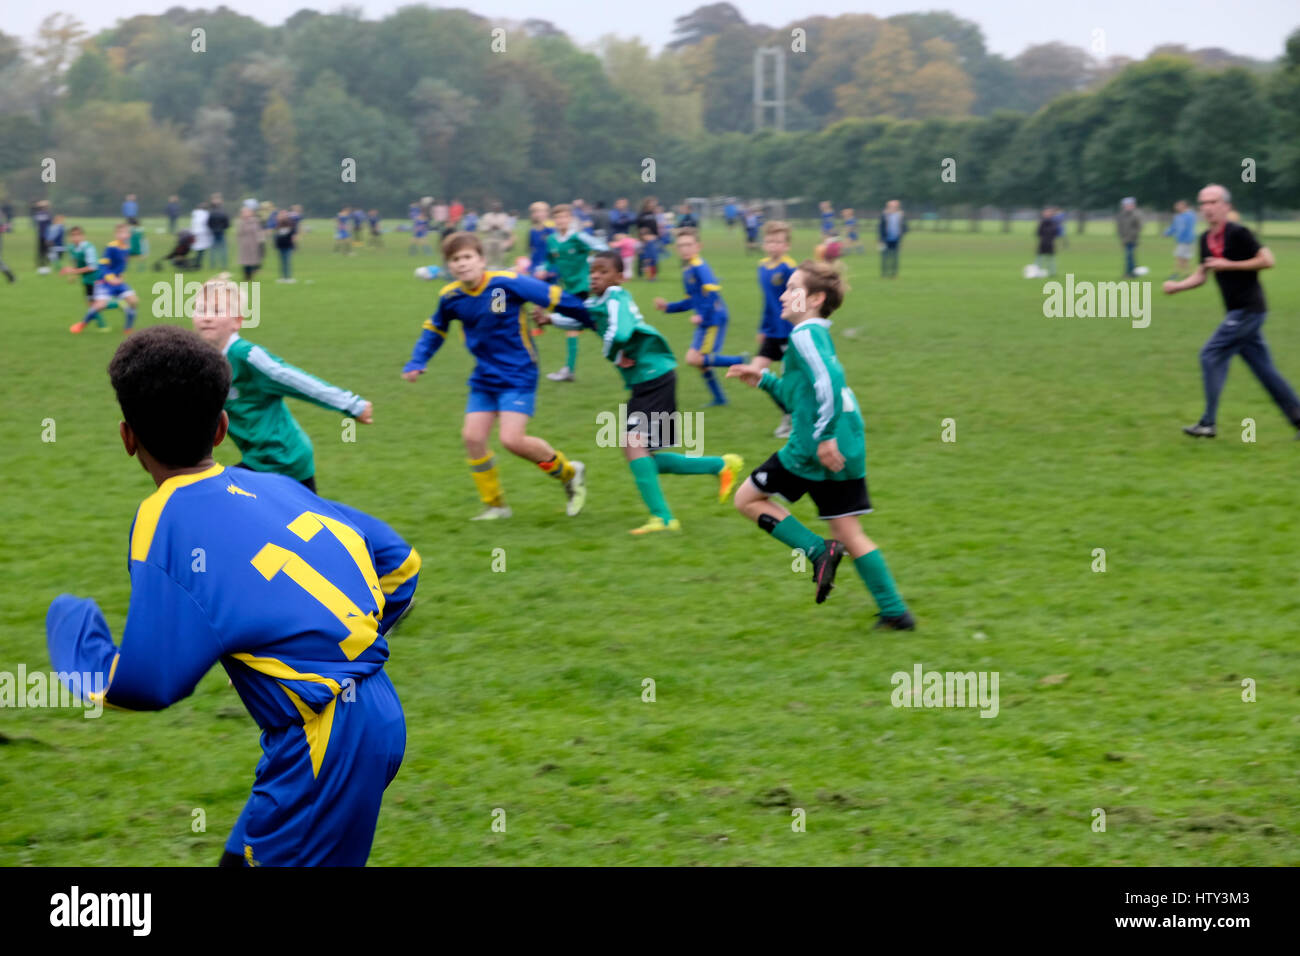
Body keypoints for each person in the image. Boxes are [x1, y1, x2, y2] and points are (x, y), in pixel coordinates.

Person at [46, 323, 418, 866]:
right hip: (366, 717)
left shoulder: (163, 517)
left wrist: (72, 631)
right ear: (221, 428)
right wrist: (341, 642)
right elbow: (402, 565)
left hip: (324, 741)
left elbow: (148, 684)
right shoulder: (279, 485)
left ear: (127, 438)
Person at [726, 260, 914, 629]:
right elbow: (806, 395)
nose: (783, 294)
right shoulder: (815, 334)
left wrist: (825, 436)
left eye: (792, 288)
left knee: (746, 499)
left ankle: (817, 552)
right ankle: (895, 612)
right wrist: (764, 380)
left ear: (815, 298)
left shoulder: (804, 335)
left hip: (815, 446)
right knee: (848, 531)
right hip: (847, 440)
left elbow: (831, 378)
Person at [544, 251, 744, 534]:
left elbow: (620, 332)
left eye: (602, 271)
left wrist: (615, 353)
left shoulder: (616, 296)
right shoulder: (598, 301)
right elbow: (584, 320)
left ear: (619, 278)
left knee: (632, 444)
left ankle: (663, 518)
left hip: (654, 376)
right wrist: (551, 320)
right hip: (650, 378)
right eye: (593, 271)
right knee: (644, 455)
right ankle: (720, 465)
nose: (595, 276)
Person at [401, 231, 591, 520]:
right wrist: (418, 360)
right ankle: (496, 506)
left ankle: (569, 472)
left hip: (519, 372)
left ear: (481, 260)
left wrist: (594, 319)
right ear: (449, 266)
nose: (462, 264)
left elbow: (554, 296)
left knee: (512, 440)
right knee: (472, 438)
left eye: (467, 257)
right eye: (455, 259)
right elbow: (435, 330)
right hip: (485, 376)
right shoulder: (451, 296)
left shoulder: (506, 283)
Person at [190, 273, 370, 489]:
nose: (207, 317)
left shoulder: (247, 356)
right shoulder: (204, 363)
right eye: (201, 310)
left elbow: (296, 380)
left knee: (221, 498)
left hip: (285, 460)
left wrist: (352, 405)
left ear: (237, 321)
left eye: (217, 311)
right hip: (257, 460)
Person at [1164, 183, 1300, 440]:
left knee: (1210, 354)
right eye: (1203, 203)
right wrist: (1177, 286)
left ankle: (1208, 423)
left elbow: (1268, 260)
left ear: (1226, 206)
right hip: (1238, 313)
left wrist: (1230, 264)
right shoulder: (1206, 239)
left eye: (1213, 202)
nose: (1207, 208)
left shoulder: (1239, 233)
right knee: (1264, 370)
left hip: (1248, 311)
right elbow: (1202, 274)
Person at [653, 228, 745, 406]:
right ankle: (720, 398)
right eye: (681, 245)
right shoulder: (687, 270)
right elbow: (691, 301)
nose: (684, 248)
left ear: (698, 246)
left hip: (713, 319)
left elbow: (712, 291)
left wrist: (701, 316)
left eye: (688, 244)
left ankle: (740, 361)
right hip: (706, 319)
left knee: (693, 358)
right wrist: (668, 307)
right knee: (700, 362)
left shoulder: (699, 266)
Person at [544, 203, 607, 383]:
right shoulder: (552, 241)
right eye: (558, 217)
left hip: (582, 287)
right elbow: (549, 262)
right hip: (568, 288)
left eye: (564, 217)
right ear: (554, 220)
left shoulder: (578, 237)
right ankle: (625, 352)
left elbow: (602, 247)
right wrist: (543, 270)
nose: (561, 220)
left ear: (570, 219)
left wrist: (593, 264)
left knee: (575, 326)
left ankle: (569, 370)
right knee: (591, 324)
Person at [754, 221, 798, 438]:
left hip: (789, 333)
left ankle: (795, 418)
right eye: (770, 241)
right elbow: (767, 302)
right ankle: (789, 412)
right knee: (755, 373)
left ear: (787, 245)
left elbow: (798, 301)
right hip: (772, 333)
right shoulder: (762, 267)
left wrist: (799, 327)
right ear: (764, 243)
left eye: (779, 242)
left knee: (794, 378)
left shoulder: (790, 268)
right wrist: (762, 327)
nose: (774, 245)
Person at [70, 222, 139, 335]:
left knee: (133, 301)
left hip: (118, 282)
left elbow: (122, 265)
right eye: (121, 233)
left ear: (128, 235)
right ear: (116, 234)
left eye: (126, 233)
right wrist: (111, 278)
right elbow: (102, 265)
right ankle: (82, 324)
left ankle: (128, 329)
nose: (123, 235)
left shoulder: (126, 248)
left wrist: (121, 276)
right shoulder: (111, 247)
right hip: (104, 282)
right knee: (99, 305)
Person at [59, 226, 100, 313]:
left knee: (97, 304)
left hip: (96, 277)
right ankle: (102, 326)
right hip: (86, 278)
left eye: (78, 235)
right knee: (91, 304)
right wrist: (72, 275)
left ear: (83, 236)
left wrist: (74, 271)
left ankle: (119, 304)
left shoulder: (88, 247)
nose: (75, 237)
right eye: (73, 235)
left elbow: (92, 267)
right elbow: (75, 263)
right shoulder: (71, 248)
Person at [1164, 199, 1197, 279]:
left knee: (1180, 257)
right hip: (1180, 240)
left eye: (1179, 205)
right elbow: (1174, 227)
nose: (1176, 207)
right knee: (1184, 258)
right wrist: (1167, 233)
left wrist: (1186, 238)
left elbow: (1188, 229)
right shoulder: (1178, 216)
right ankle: (1189, 274)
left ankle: (1176, 273)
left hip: (1186, 240)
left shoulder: (1190, 216)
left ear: (1184, 206)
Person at [479, 200, 514, 269]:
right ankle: (486, 269)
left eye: (498, 207)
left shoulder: (504, 216)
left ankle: (500, 269)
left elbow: (508, 229)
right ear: (492, 208)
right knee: (487, 256)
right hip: (489, 239)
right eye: (495, 207)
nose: (496, 208)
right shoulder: (487, 216)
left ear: (500, 208)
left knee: (500, 258)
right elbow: (482, 228)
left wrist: (500, 228)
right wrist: (490, 227)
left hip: (500, 240)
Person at [878, 199, 906, 278]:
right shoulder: (884, 215)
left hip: (896, 240)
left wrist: (901, 234)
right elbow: (880, 228)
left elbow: (905, 227)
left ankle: (894, 274)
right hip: (885, 239)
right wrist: (880, 239)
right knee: (885, 258)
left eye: (895, 206)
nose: (893, 207)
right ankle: (884, 274)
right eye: (891, 206)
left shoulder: (900, 215)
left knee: (895, 257)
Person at [527, 201, 555, 277]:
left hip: (549, 266)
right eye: (536, 211)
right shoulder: (532, 231)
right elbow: (531, 249)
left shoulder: (551, 228)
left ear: (547, 213)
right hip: (535, 265)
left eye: (543, 211)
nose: (540, 214)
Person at [236, 206, 264, 281]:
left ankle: (252, 275)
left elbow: (259, 231)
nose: (245, 214)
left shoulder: (255, 221)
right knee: (245, 261)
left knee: (253, 260)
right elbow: (239, 233)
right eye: (244, 212)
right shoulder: (241, 222)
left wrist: (260, 240)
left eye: (247, 212)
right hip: (245, 244)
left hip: (253, 243)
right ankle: (246, 276)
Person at [1117, 197, 1142, 278]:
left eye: (1129, 205)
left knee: (1130, 256)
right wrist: (1122, 237)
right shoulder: (1122, 215)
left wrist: (1130, 237)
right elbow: (1120, 227)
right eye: (1126, 205)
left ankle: (1130, 273)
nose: (1127, 206)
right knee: (1129, 257)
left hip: (1132, 239)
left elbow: (1138, 227)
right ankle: (1131, 272)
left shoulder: (1136, 214)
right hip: (1124, 239)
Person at [273, 210, 297, 283]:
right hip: (280, 245)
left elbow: (293, 235)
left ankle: (288, 277)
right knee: (282, 262)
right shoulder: (278, 224)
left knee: (287, 261)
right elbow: (276, 235)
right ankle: (283, 277)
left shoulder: (290, 223)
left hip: (288, 245)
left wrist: (294, 244)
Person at [207, 196, 230, 269]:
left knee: (213, 250)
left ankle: (212, 265)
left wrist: (212, 229)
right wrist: (223, 228)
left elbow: (208, 223)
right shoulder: (223, 212)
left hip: (213, 232)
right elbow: (227, 223)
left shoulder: (211, 213)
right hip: (221, 232)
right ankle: (224, 265)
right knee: (223, 249)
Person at [1035, 207, 1058, 277]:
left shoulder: (1053, 223)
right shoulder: (1042, 223)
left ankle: (1052, 272)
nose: (1047, 214)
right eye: (1046, 213)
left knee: (1051, 259)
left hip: (1050, 243)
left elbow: (1055, 233)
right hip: (1042, 243)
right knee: (1039, 258)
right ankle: (1036, 271)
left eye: (1049, 213)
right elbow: (1038, 232)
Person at [190, 201, 212, 269]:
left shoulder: (195, 214)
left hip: (195, 233)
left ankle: (196, 262)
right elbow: (206, 224)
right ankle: (198, 263)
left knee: (197, 249)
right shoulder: (206, 214)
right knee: (201, 249)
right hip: (203, 234)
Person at [32, 199, 52, 274]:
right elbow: (50, 224)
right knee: (45, 251)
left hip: (42, 235)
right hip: (45, 235)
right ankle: (44, 265)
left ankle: (42, 265)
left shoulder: (38, 214)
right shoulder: (47, 214)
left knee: (42, 251)